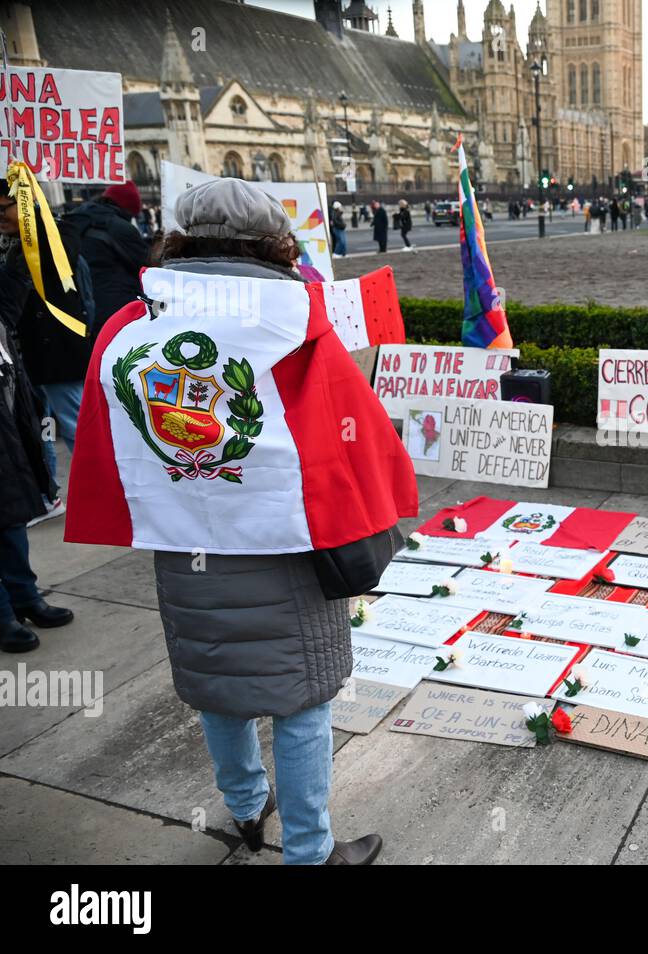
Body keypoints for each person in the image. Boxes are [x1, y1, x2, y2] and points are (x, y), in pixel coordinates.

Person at [67, 178, 417, 863]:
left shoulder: (129, 327)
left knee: (218, 689)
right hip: (286, 552)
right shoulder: (298, 318)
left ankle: (247, 812)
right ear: (272, 241)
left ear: (181, 237)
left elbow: (112, 438)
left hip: (184, 547)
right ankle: (311, 851)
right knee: (304, 704)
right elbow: (356, 438)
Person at [0, 231, 75, 653]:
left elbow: (16, 280)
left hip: (8, 412)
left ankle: (25, 596)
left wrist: (26, 223)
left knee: (11, 514)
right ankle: (3, 612)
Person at [2, 176, 91, 523]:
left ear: (24, 206)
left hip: (59, 356)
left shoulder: (55, 237)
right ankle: (47, 494)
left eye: (3, 209)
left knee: (76, 428)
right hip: (26, 358)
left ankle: (103, 492)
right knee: (41, 430)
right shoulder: (11, 244)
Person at [65, 181, 151, 336]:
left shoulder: (75, 220)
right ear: (127, 208)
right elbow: (146, 269)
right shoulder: (121, 228)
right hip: (118, 311)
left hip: (81, 309)